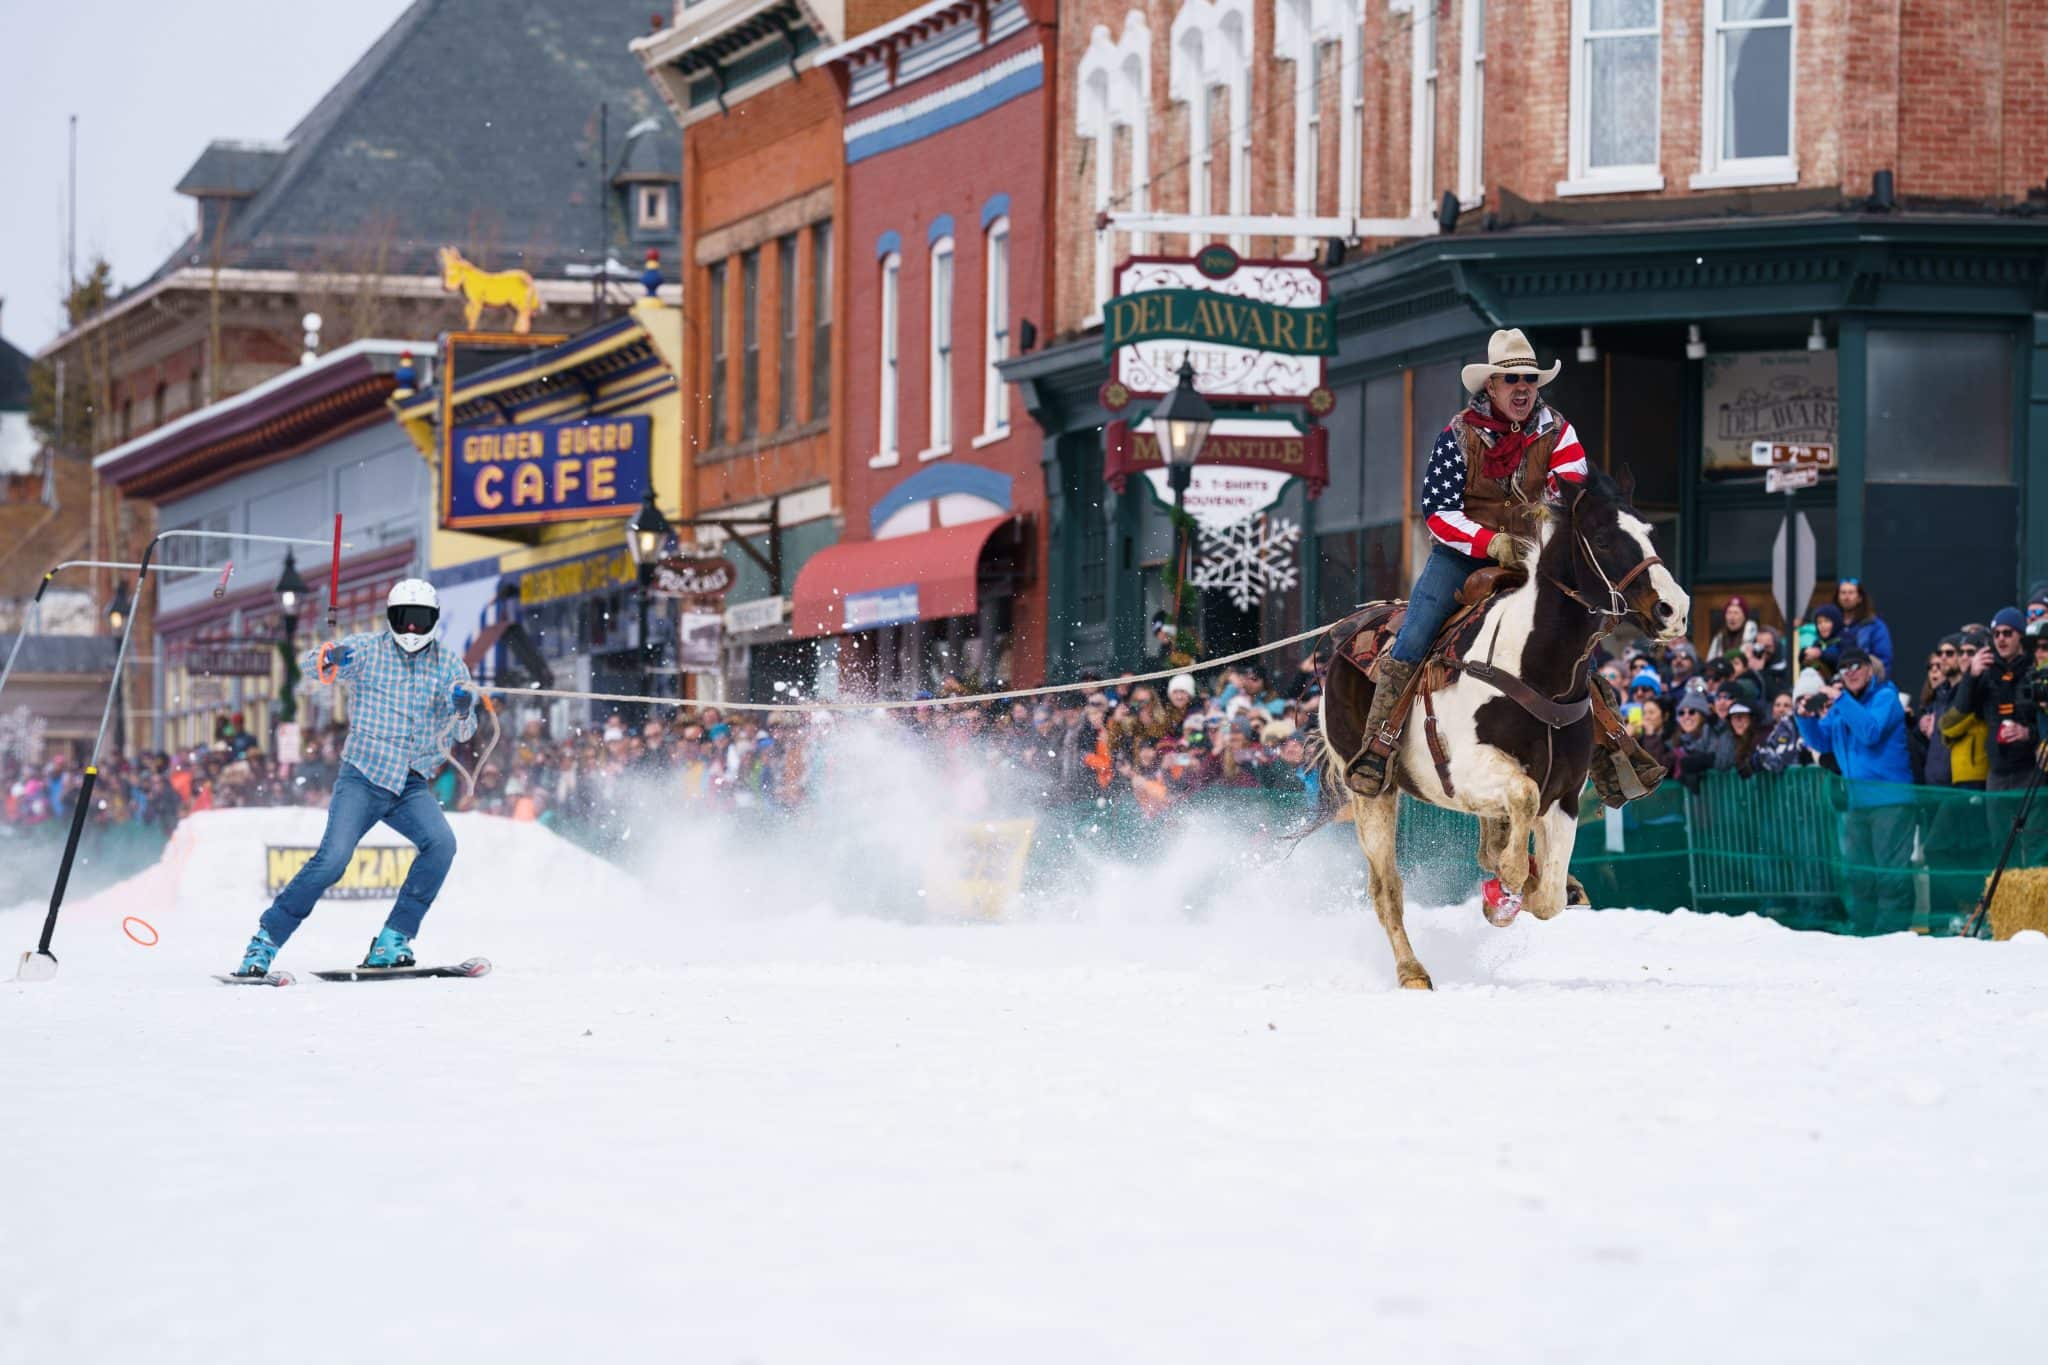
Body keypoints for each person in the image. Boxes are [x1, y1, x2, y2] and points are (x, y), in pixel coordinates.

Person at [1346, 329, 1588, 795]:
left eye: (1530, 379)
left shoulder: (1560, 431)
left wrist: (1540, 533)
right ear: (1490, 387)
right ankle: (1380, 745)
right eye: (1511, 378)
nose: (1522, 388)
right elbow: (1438, 514)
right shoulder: (1458, 433)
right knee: (1414, 635)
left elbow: (1572, 492)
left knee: (1576, 633)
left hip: (1538, 559)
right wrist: (1492, 543)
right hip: (1462, 560)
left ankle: (1612, 743)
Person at [232, 579, 479, 977]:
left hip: (410, 782)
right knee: (332, 861)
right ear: (390, 619)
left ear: (433, 620)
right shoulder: (368, 650)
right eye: (404, 621)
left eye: (420, 621)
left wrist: (464, 709)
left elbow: (467, 733)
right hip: (364, 776)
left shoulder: (450, 665)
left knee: (441, 845)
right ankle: (264, 942)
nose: (412, 630)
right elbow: (314, 664)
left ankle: (393, 939)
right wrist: (330, 656)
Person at [1795, 644, 1915, 933]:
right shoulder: (1843, 705)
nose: (1850, 673)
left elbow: (1870, 732)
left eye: (1856, 667)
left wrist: (1840, 700)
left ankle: (1891, 934)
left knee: (1889, 873)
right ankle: (1863, 929)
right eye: (1844, 669)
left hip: (1890, 801)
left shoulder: (1885, 697)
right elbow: (1823, 742)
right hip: (1856, 802)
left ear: (1869, 669)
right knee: (1859, 873)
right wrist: (1805, 717)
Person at [1952, 607, 2038, 792]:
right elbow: (1961, 710)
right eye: (1996, 634)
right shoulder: (1986, 673)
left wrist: (2027, 732)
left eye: (2007, 633)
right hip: (1997, 773)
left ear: (2020, 636)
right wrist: (1971, 676)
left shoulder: (2033, 671)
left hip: (2030, 771)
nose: (2001, 638)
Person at [1834, 578, 1894, 679]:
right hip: (1834, 680)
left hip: (1864, 682)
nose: (1846, 597)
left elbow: (1884, 661)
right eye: (1843, 593)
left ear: (1860, 597)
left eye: (1851, 592)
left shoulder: (1874, 625)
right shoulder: (1830, 625)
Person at [1707, 595, 1757, 662]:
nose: (1732, 617)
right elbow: (1710, 661)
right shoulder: (1719, 637)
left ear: (1744, 617)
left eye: (1736, 613)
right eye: (1729, 613)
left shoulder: (1753, 637)